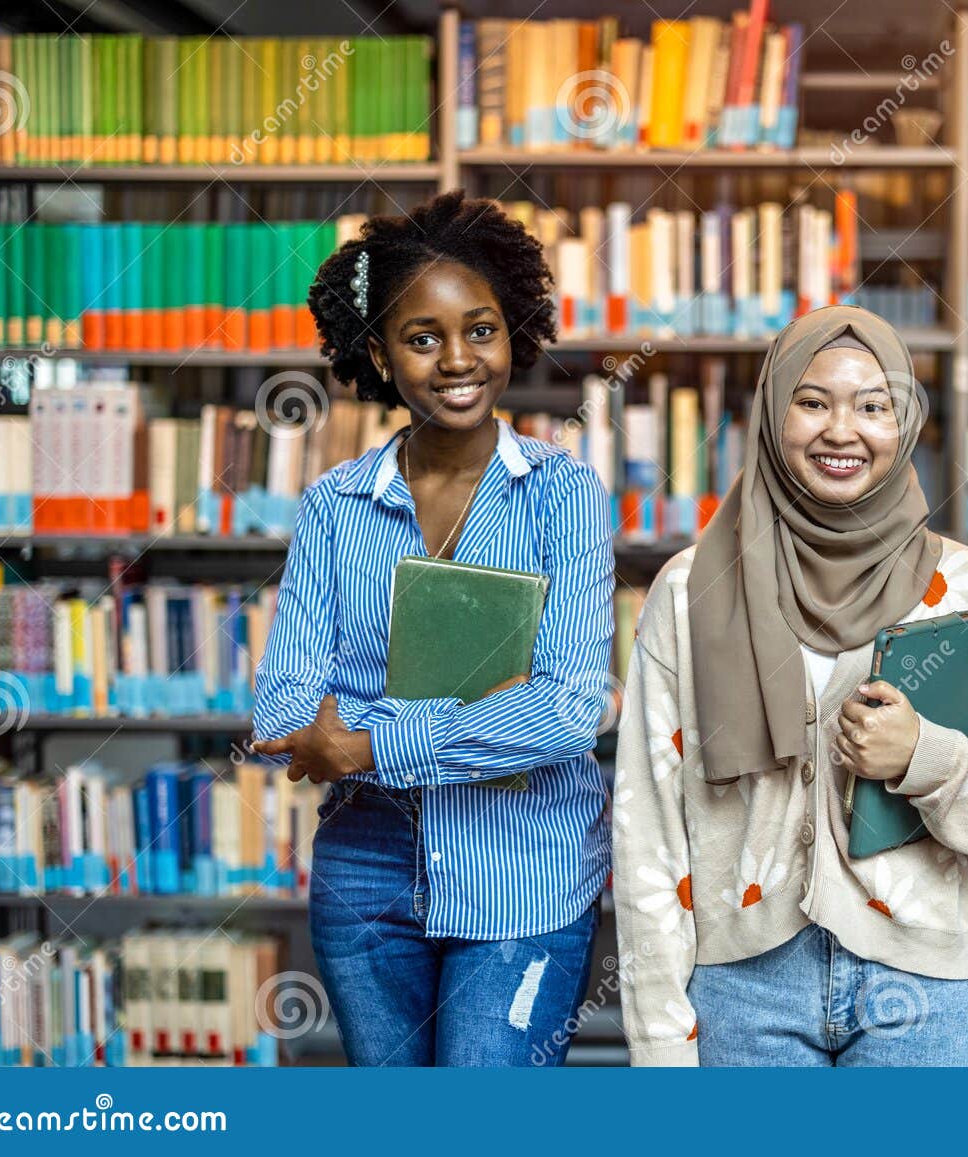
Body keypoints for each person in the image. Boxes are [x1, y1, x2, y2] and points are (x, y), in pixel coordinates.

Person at [613, 305, 968, 1066]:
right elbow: (648, 823)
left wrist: (926, 757)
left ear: (905, 423)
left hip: (925, 981)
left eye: (873, 405)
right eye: (811, 401)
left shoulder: (962, 588)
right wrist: (658, 1036)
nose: (841, 430)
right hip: (743, 986)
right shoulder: (689, 591)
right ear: (772, 413)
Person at [250, 191, 615, 1067]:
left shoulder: (566, 498)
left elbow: (567, 712)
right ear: (379, 352)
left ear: (513, 331)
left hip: (526, 873)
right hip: (368, 875)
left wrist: (370, 741)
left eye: (480, 330)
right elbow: (284, 704)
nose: (459, 360)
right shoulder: (334, 506)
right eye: (423, 338)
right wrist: (488, 716)